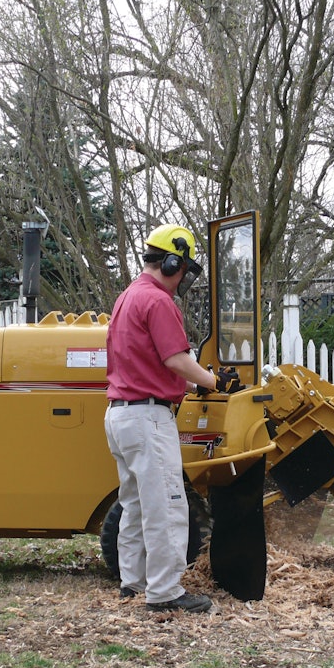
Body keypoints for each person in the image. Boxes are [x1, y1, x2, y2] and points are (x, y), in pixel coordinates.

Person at [104, 223, 226, 613]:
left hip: (121, 415)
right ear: (173, 262)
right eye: (184, 268)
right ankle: (165, 592)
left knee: (136, 504)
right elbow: (175, 359)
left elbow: (148, 365)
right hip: (147, 418)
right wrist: (212, 380)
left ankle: (133, 582)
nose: (183, 278)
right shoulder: (158, 302)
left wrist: (190, 387)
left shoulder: (128, 297)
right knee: (168, 503)